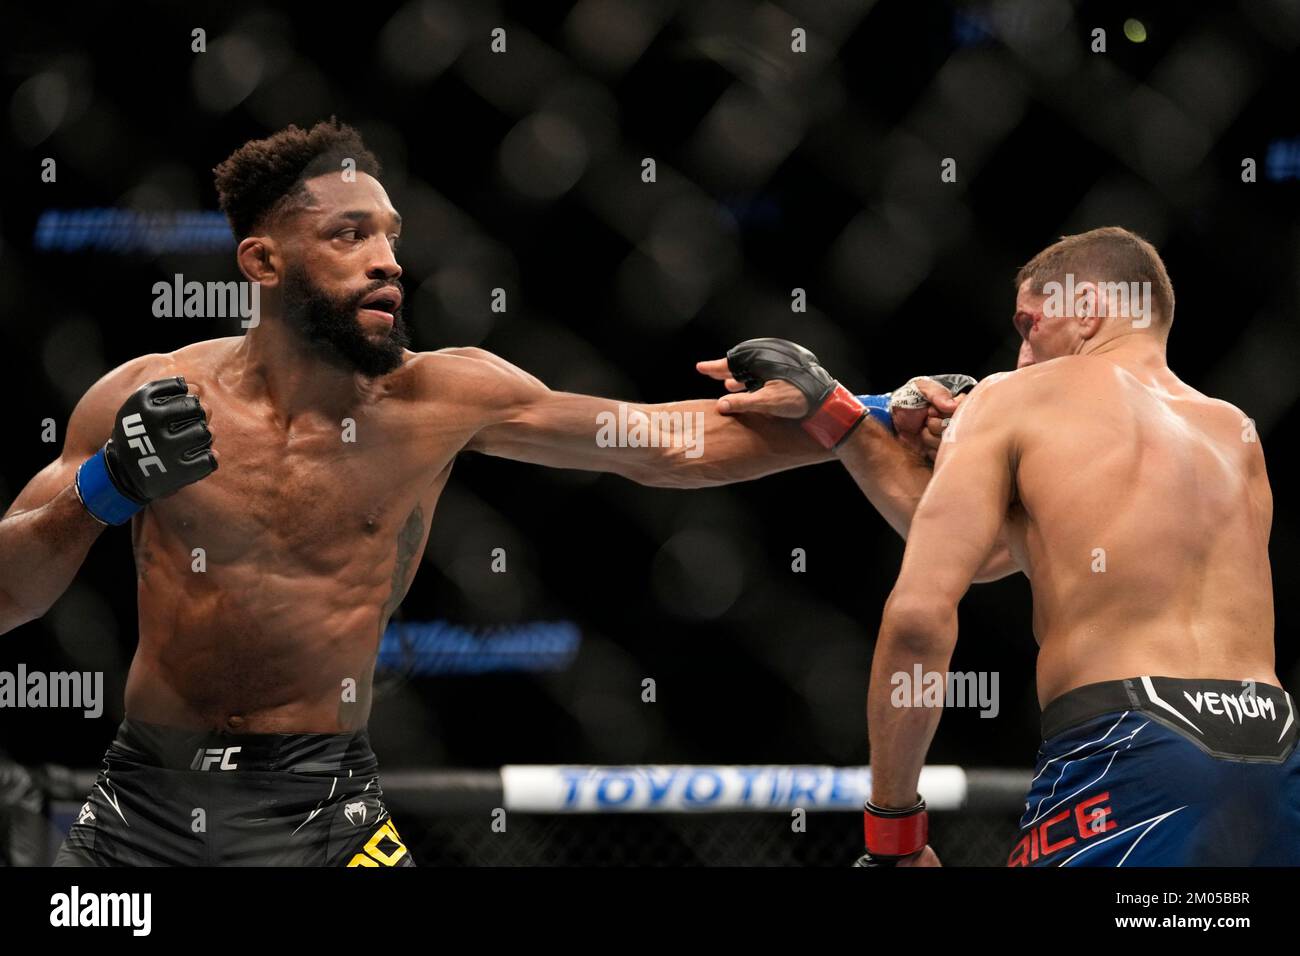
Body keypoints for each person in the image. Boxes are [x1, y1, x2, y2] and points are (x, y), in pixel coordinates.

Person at [712, 226, 1298, 866]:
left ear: (1087, 307)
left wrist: (894, 833)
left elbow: (916, 620)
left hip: (1132, 743)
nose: (1020, 354)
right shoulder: (1234, 431)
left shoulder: (1011, 395)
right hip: (1274, 747)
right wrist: (844, 421)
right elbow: (1004, 553)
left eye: (1030, 324)